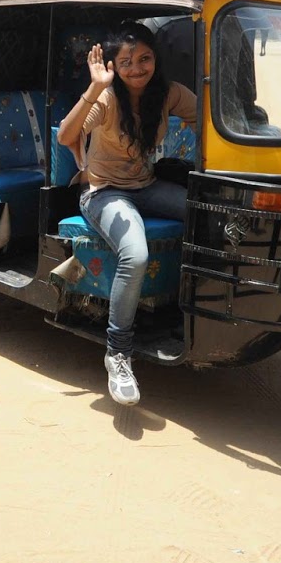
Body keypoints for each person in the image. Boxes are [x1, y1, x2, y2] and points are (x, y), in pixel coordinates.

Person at [55, 23, 197, 406]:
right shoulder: (105, 98)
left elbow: (206, 118)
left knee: (206, 217)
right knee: (135, 255)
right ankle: (118, 353)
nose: (137, 68)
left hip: (146, 185)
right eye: (126, 62)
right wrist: (95, 87)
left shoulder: (167, 93)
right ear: (114, 66)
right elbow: (66, 136)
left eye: (144, 59)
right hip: (103, 192)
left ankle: (189, 314)